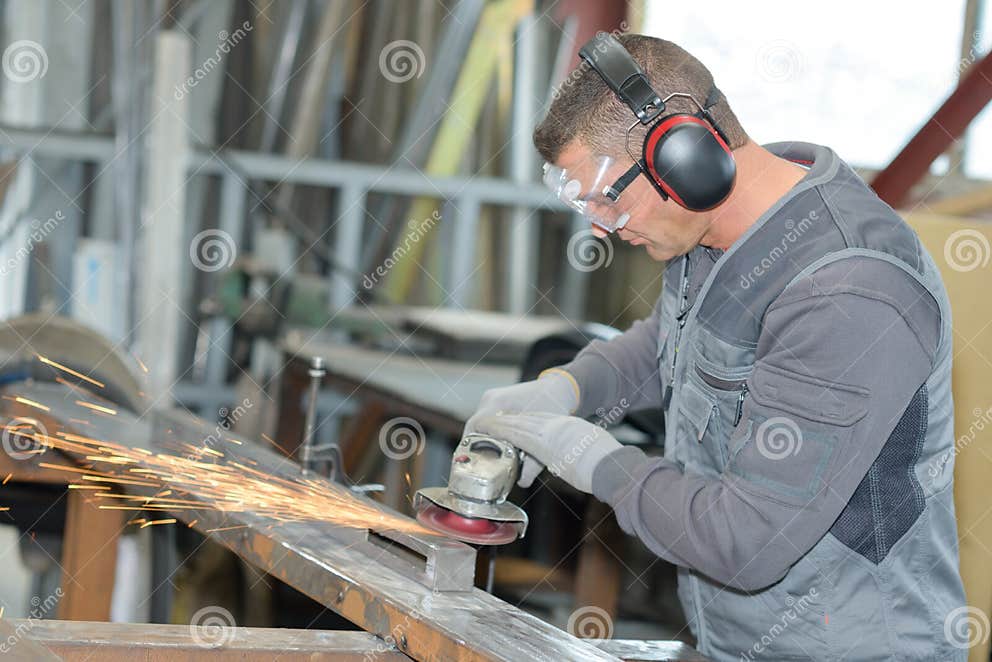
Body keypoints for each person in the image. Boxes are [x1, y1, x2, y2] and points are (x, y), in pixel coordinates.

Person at [469, 32, 967, 661]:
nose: (599, 226)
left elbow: (745, 542)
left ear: (684, 158)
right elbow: (665, 345)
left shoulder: (850, 289)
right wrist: (566, 388)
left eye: (607, 197)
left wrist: (595, 459)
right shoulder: (714, 234)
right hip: (734, 641)